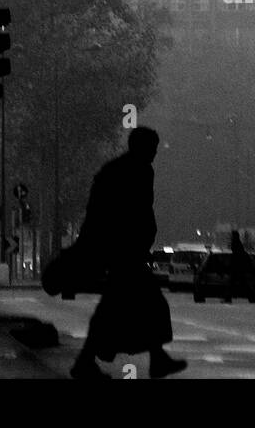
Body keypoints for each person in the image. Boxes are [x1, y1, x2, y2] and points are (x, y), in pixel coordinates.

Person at [70, 126, 187, 381]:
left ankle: (91, 360)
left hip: (124, 250)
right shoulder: (132, 171)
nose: (155, 154)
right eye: (152, 149)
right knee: (150, 305)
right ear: (141, 148)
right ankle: (153, 359)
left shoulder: (129, 170)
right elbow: (126, 213)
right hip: (123, 251)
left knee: (115, 308)